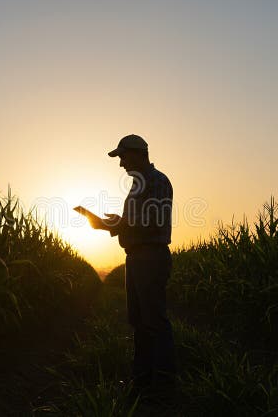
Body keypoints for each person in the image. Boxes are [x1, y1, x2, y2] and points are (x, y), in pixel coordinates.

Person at [89, 134, 176, 395]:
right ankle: (142, 382)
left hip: (150, 257)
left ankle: (163, 385)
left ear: (139, 154)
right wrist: (111, 224)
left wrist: (117, 223)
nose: (121, 163)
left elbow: (154, 221)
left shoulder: (157, 181)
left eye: (123, 157)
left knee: (154, 322)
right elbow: (136, 222)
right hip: (137, 257)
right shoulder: (140, 185)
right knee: (139, 321)